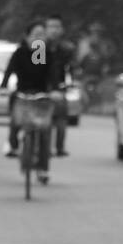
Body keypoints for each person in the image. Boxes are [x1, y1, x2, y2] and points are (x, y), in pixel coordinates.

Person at [0, 18, 52, 183]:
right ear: (27, 36)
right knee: (16, 117)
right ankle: (12, 144)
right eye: (36, 34)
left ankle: (43, 168)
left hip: (41, 95)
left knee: (44, 131)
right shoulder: (20, 52)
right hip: (22, 92)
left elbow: (51, 74)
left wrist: (56, 89)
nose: (40, 38)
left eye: (42, 35)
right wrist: (3, 85)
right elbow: (9, 71)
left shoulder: (42, 53)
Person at [45, 14, 74, 156]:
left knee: (61, 118)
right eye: (51, 26)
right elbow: (35, 68)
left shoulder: (66, 49)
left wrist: (68, 84)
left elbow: (70, 69)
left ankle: (59, 147)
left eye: (57, 27)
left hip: (59, 88)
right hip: (41, 88)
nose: (54, 30)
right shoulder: (39, 47)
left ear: (62, 29)